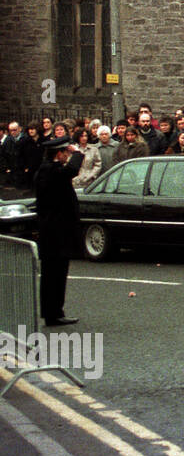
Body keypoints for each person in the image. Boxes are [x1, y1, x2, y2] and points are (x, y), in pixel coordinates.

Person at [34, 136, 83, 326]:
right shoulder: (50, 171)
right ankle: (54, 313)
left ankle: (53, 312)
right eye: (65, 153)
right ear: (59, 154)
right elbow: (72, 169)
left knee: (52, 274)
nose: (67, 157)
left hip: (52, 231)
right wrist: (77, 152)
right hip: (56, 232)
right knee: (55, 274)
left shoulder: (47, 170)